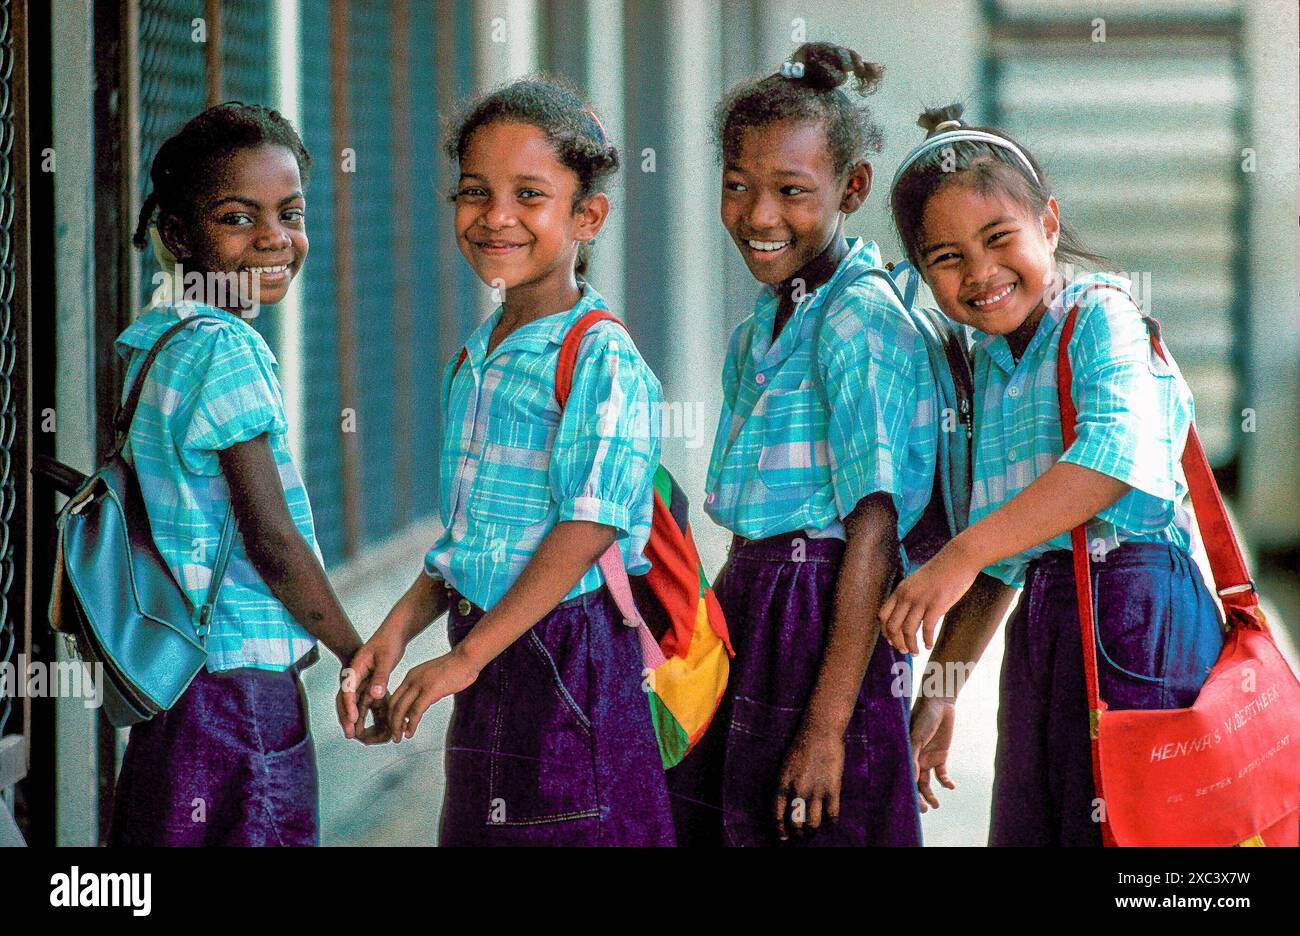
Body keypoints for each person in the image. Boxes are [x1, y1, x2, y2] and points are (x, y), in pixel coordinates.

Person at [338, 78, 674, 846]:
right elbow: (473, 537)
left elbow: (587, 527)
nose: (495, 216)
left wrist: (462, 660)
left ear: (587, 216)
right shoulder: (477, 354)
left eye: (530, 194)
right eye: (474, 192)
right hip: (489, 649)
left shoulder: (600, 356)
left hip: (570, 659)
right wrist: (397, 630)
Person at [881, 103, 1224, 846]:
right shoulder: (994, 364)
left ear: (1049, 224)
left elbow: (1107, 462)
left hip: (1138, 616)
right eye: (946, 258)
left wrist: (958, 554)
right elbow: (1009, 556)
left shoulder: (1100, 316)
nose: (980, 273)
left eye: (998, 238)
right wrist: (940, 693)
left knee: (1139, 840)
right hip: (1049, 630)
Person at [110, 102, 368, 846]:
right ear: (179, 235)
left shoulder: (158, 341)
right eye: (236, 217)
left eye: (290, 213)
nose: (274, 239)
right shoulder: (227, 350)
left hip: (177, 683)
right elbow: (273, 538)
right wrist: (358, 654)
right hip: (239, 690)